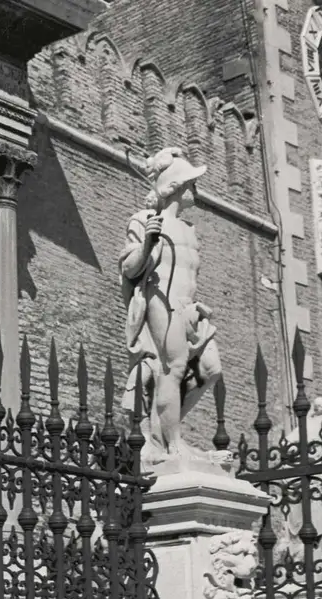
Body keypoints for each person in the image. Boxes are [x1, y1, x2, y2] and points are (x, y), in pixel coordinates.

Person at [120, 147, 223, 466]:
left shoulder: (189, 230)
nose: (194, 188)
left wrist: (198, 306)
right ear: (174, 186)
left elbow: (187, 276)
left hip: (189, 308)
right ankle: (171, 444)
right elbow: (130, 270)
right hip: (160, 302)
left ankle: (160, 432)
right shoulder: (144, 220)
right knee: (173, 368)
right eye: (190, 182)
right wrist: (149, 242)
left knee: (210, 370)